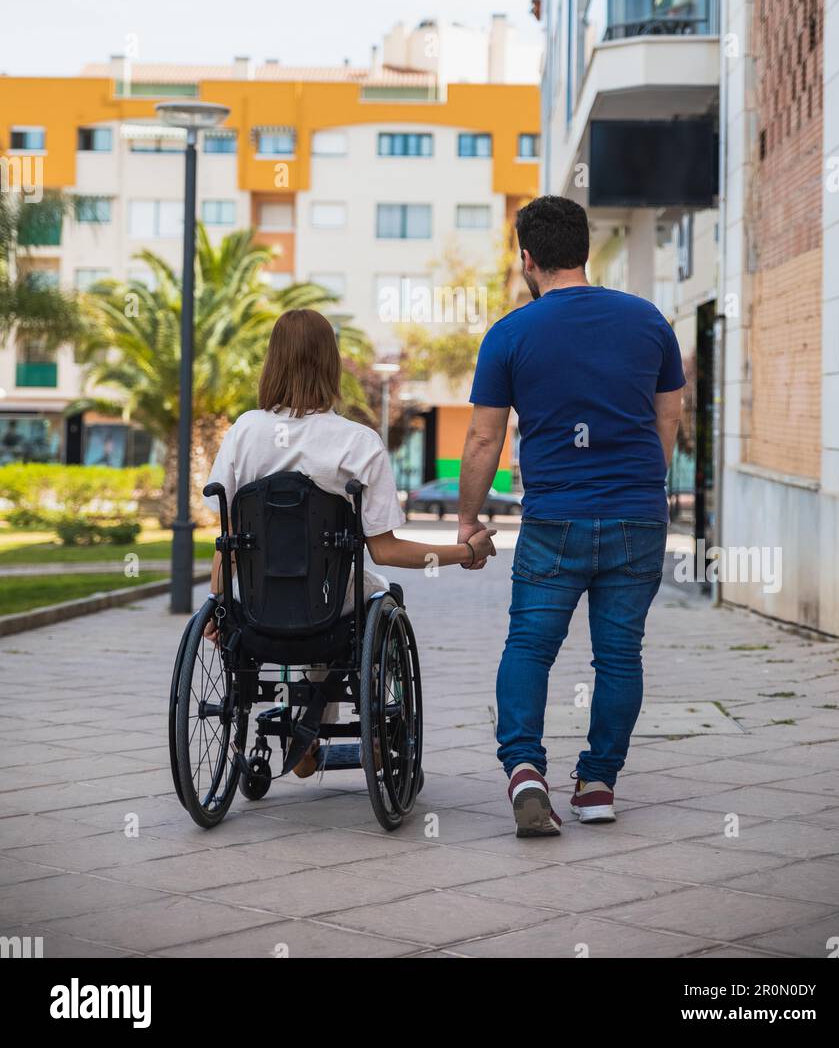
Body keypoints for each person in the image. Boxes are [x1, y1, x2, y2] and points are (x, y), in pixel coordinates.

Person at [457, 196, 684, 837]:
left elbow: (482, 439)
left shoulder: (510, 333)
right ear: (584, 250)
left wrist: (468, 522)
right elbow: (669, 416)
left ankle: (526, 770)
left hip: (554, 518)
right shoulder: (649, 322)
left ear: (527, 259)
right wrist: (646, 482)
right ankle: (598, 784)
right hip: (637, 515)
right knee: (619, 657)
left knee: (530, 645)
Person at [204, 308, 496, 775]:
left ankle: (306, 737)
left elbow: (229, 542)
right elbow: (387, 550)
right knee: (375, 595)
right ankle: (352, 726)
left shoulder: (243, 433)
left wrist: (218, 606)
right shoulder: (356, 442)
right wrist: (465, 552)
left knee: (332, 596)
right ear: (331, 363)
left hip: (259, 606)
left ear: (272, 362)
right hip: (328, 604)